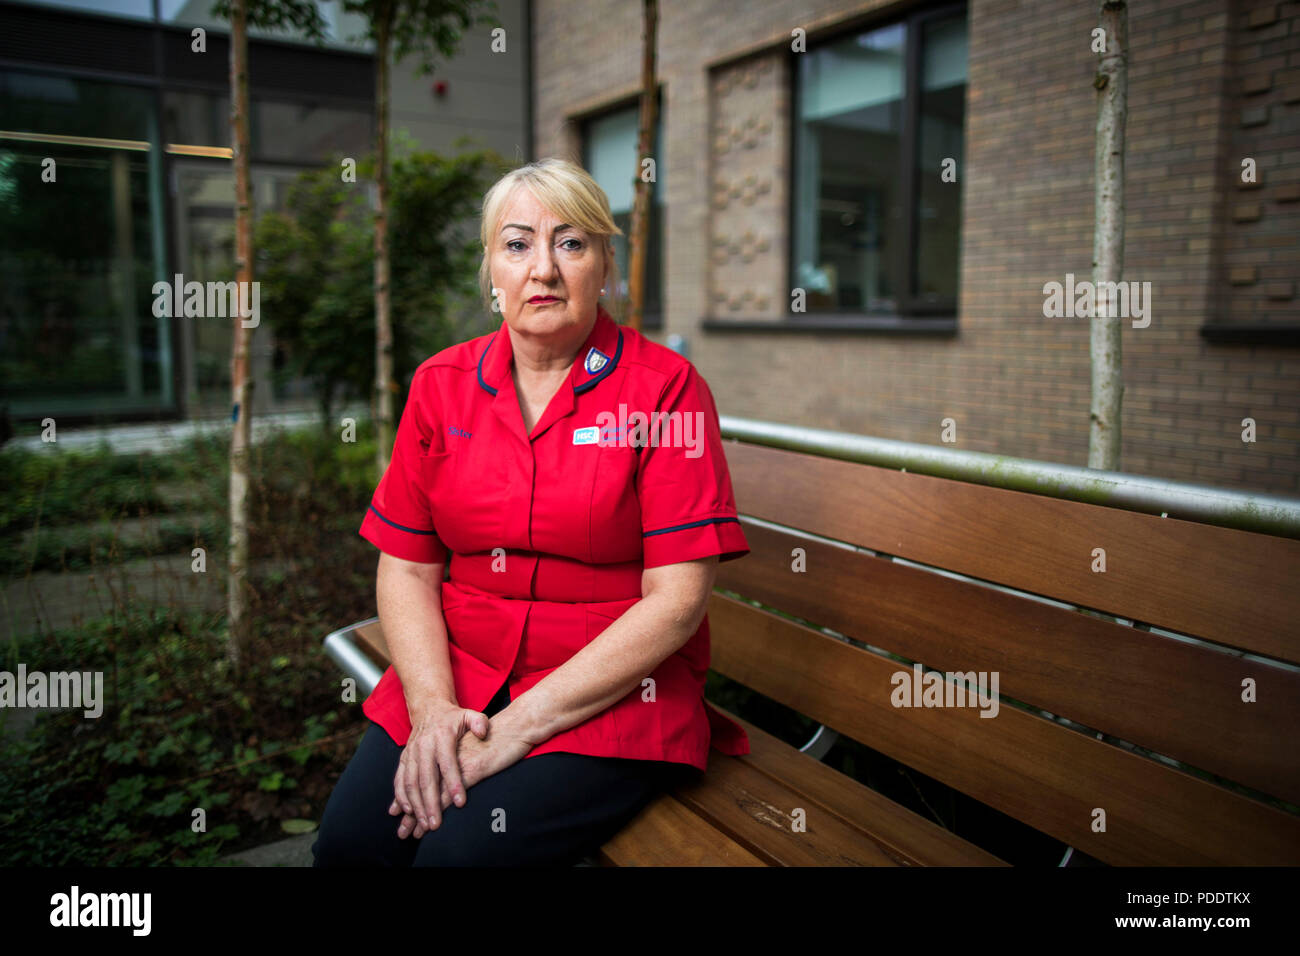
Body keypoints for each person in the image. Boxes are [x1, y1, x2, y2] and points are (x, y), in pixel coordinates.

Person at [312, 157, 750, 867]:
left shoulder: (665, 391)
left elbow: (676, 602)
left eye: (571, 243)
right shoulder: (440, 385)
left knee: (458, 859)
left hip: (609, 697)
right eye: (516, 245)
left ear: (604, 263)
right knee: (350, 848)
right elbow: (407, 569)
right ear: (491, 270)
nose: (542, 268)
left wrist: (517, 728)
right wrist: (431, 713)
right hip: (457, 672)